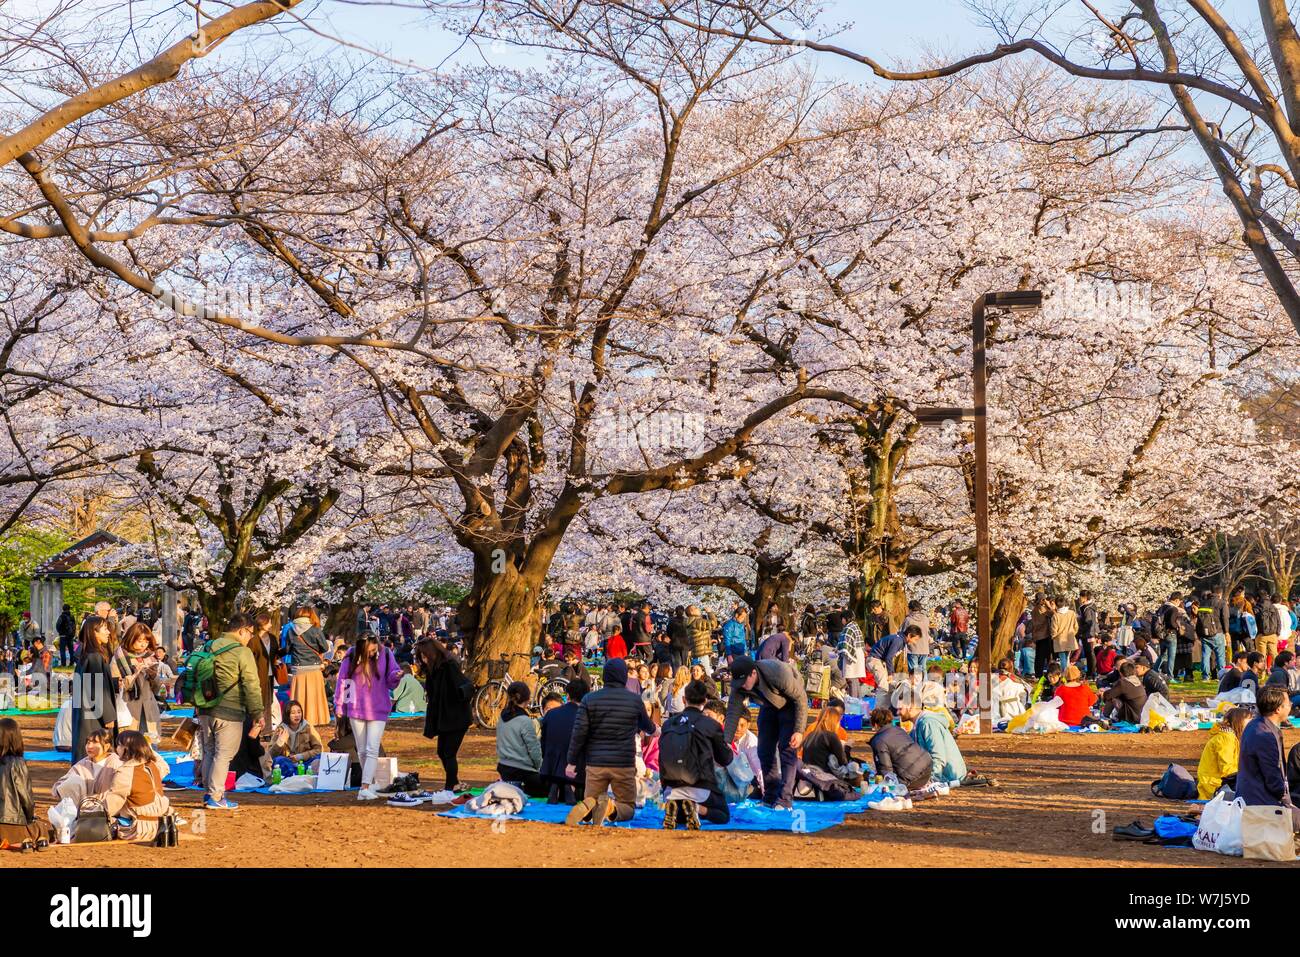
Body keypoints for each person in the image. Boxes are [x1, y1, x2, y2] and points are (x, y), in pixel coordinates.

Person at [565, 658, 656, 826]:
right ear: (624, 677)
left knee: (592, 798)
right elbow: (648, 727)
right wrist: (656, 729)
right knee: (627, 807)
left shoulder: (588, 700)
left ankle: (588, 807)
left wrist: (571, 762)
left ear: (605, 676)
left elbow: (579, 734)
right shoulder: (634, 700)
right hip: (624, 764)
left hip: (595, 763)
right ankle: (610, 809)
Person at [197, 613, 265, 811]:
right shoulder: (242, 652)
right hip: (230, 709)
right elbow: (252, 685)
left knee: (209, 750)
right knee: (224, 754)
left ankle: (209, 793)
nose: (250, 638)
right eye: (250, 634)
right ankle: (216, 795)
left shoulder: (209, 645)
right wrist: (257, 712)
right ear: (242, 630)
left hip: (204, 708)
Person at [722, 656, 807, 809]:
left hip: (790, 703)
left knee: (787, 750)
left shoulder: (777, 673)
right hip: (768, 704)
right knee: (764, 750)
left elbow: (800, 698)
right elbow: (733, 712)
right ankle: (770, 796)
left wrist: (799, 730)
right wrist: (727, 740)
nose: (741, 686)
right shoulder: (739, 684)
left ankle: (785, 799)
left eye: (743, 682)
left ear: (753, 674)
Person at [334, 634, 401, 801]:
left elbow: (391, 677)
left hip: (378, 708)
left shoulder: (385, 653)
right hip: (356, 708)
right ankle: (369, 784)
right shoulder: (351, 655)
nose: (372, 653)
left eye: (374, 649)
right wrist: (340, 705)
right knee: (362, 749)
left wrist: (396, 675)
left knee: (372, 747)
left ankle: (364, 787)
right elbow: (344, 681)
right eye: (369, 651)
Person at [659, 679, 734, 828]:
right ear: (705, 701)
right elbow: (725, 759)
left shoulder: (668, 724)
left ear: (683, 699)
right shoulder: (711, 725)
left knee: (681, 815)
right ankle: (698, 808)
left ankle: (679, 809)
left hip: (670, 787)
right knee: (723, 815)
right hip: (700, 786)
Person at [897, 688, 993, 787]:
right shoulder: (918, 725)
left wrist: (932, 782)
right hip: (944, 775)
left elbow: (938, 756)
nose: (897, 712)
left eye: (900, 708)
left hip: (950, 776)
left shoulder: (928, 723)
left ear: (911, 706)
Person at [1237, 685, 1300, 828]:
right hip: (1261, 805)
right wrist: (1288, 805)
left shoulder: (1256, 725)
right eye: (1288, 703)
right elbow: (1274, 780)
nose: (1290, 705)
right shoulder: (1264, 734)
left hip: (1253, 797)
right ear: (1278, 709)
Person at [417, 637, 473, 794]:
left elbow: (465, 686)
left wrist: (458, 695)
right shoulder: (432, 670)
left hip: (456, 717)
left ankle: (450, 786)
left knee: (448, 752)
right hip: (444, 718)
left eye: (425, 655)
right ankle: (454, 783)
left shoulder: (448, 666)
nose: (423, 659)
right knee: (442, 751)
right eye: (421, 656)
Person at [104, 731, 172, 842]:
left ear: (127, 748)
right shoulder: (153, 765)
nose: (117, 749)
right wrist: (147, 747)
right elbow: (164, 766)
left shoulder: (125, 772)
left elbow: (112, 805)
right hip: (163, 826)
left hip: (138, 829)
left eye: (119, 745)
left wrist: (95, 814)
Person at [71, 615, 117, 762]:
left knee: (84, 751)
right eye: (104, 629)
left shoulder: (85, 656)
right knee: (95, 754)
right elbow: (97, 689)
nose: (108, 632)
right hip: (94, 715)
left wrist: (114, 683)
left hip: (84, 713)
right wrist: (108, 715)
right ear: (94, 632)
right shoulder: (95, 657)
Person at [0, 718, 46, 851]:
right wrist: (30, 817)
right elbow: (26, 798)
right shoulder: (17, 763)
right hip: (11, 824)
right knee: (43, 826)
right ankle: (29, 840)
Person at [541, 677, 588, 804]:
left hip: (550, 768)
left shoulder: (551, 714)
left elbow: (543, 744)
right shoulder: (586, 716)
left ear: (567, 695)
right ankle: (567, 785)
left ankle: (557, 784)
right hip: (576, 770)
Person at [799, 703, 862, 797]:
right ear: (834, 721)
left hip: (809, 775)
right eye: (838, 722)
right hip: (824, 776)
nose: (839, 725)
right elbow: (843, 762)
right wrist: (847, 747)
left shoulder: (811, 735)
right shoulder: (831, 736)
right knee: (858, 774)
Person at [495, 681, 545, 797]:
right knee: (554, 788)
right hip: (523, 773)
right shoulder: (525, 721)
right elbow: (534, 750)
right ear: (528, 700)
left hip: (504, 768)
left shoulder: (502, 717)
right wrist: (539, 769)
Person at [285, 606, 331, 727]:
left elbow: (288, 650)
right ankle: (314, 719)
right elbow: (325, 648)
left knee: (299, 697)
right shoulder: (315, 630)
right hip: (314, 669)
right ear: (311, 615)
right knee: (314, 697)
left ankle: (299, 720)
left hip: (298, 669)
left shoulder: (291, 631)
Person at [117, 623, 163, 740]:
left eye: (146, 641)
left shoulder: (150, 657)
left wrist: (153, 675)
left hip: (149, 707)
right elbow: (119, 687)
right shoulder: (120, 657)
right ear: (131, 638)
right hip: (129, 707)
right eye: (139, 640)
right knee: (130, 745)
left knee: (150, 746)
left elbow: (157, 689)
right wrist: (136, 673)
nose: (143, 644)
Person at [1197, 707, 1250, 799]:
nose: (1251, 726)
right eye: (1248, 723)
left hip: (1217, 782)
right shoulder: (1226, 738)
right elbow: (1227, 770)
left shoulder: (1230, 736)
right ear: (1239, 722)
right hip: (1215, 786)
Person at [268, 700, 323, 777]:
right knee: (279, 760)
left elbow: (318, 749)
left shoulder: (308, 727)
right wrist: (280, 742)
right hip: (288, 763)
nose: (297, 715)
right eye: (293, 713)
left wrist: (301, 756)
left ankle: (297, 775)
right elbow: (270, 755)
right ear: (287, 715)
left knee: (319, 758)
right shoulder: (280, 729)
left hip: (304, 762)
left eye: (299, 712)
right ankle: (297, 775)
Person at [1197, 589, 1230, 682]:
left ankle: (1205, 676)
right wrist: (1226, 632)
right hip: (1218, 632)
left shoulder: (1203, 603)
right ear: (1219, 594)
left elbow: (1199, 620)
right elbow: (1225, 618)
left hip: (1205, 633)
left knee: (1205, 655)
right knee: (1220, 656)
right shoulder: (1221, 603)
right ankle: (1222, 675)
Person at [1102, 660, 1147, 724]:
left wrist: (1103, 693)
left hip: (1131, 717)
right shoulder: (1138, 681)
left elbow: (1108, 695)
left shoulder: (1123, 682)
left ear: (1121, 673)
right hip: (1141, 716)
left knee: (1112, 698)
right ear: (1134, 672)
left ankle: (1104, 717)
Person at [901, 600, 931, 672]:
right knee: (923, 669)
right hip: (924, 648)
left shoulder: (908, 620)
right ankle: (924, 683)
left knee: (913, 671)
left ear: (910, 609)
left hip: (913, 648)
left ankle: (915, 683)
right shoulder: (926, 618)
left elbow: (903, 632)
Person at [1051, 597, 1078, 672]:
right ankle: (1067, 673)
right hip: (1070, 638)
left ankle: (1064, 673)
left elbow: (1054, 630)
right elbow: (1076, 626)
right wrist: (1072, 634)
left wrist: (1053, 636)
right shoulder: (1072, 613)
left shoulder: (1055, 616)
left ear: (1056, 605)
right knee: (1067, 657)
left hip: (1060, 639)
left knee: (1062, 658)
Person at [55, 603, 75, 668]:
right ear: (69, 609)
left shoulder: (61, 617)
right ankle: (71, 663)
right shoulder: (72, 616)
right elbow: (74, 626)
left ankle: (63, 664)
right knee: (71, 650)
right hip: (70, 636)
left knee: (62, 650)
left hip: (63, 636)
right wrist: (73, 634)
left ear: (63, 609)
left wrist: (60, 632)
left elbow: (57, 625)